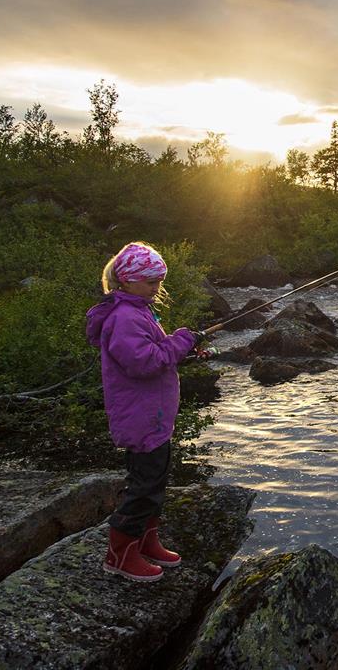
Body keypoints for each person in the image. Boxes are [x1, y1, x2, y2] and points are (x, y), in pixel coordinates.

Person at [85, 242, 220, 582]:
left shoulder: (139, 309)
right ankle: (119, 555)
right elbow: (144, 362)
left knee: (155, 483)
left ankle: (147, 540)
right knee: (143, 488)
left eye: (159, 281)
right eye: (150, 282)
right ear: (127, 281)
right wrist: (180, 342)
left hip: (154, 416)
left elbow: (154, 352)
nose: (156, 287)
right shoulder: (124, 317)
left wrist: (184, 351)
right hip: (141, 418)